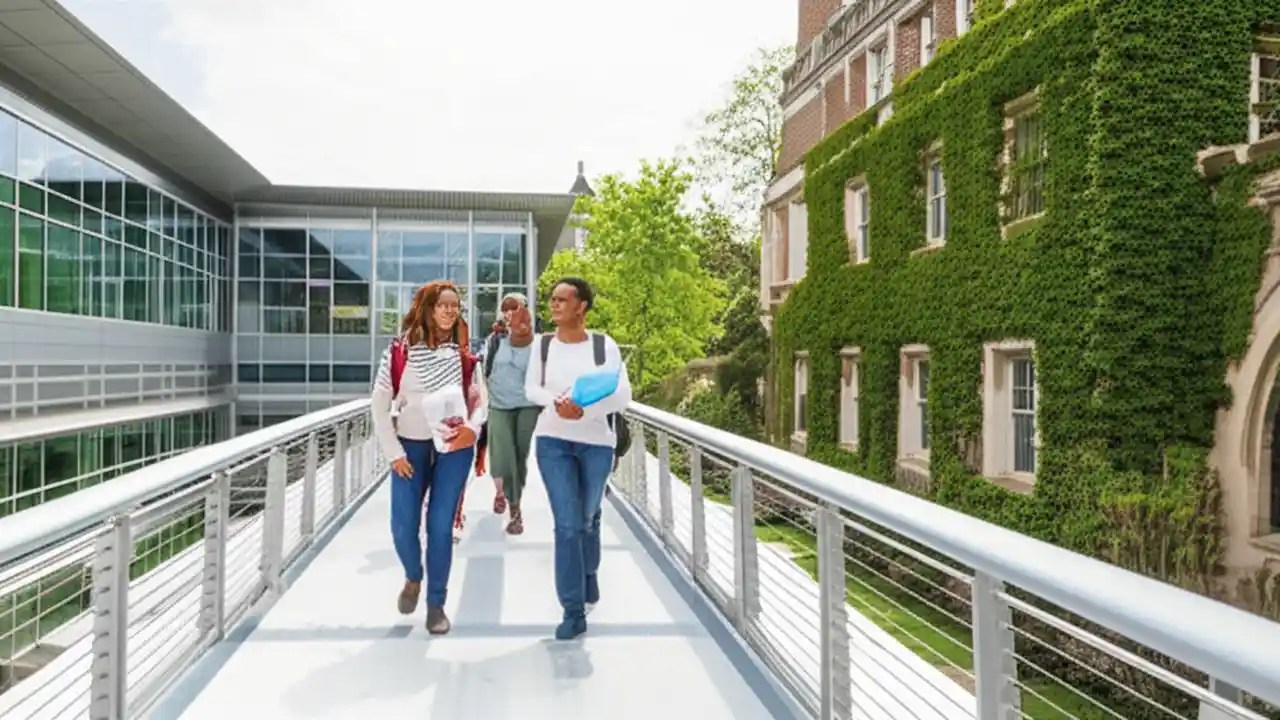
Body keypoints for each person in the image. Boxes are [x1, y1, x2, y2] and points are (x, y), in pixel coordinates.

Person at [371, 280, 486, 635]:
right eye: (444, 304)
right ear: (427, 307)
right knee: (403, 525)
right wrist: (394, 454)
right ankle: (413, 577)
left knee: (439, 525)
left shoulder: (465, 356)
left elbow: (481, 402)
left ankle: (436, 604)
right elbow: (378, 405)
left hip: (454, 447)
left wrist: (473, 429)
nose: (451, 310)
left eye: (456, 305)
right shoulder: (398, 353)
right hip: (411, 447)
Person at [525, 277, 632, 640]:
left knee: (587, 517)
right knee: (568, 525)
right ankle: (572, 612)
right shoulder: (541, 346)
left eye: (561, 299)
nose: (553, 305)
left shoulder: (604, 346)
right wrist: (554, 402)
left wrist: (583, 413)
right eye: (552, 299)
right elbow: (531, 388)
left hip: (596, 442)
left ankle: (589, 575)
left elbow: (622, 395)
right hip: (552, 441)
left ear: (581, 306)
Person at [484, 294, 539, 534]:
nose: (509, 312)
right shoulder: (495, 340)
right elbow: (486, 370)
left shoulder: (536, 341)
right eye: (505, 308)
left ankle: (515, 510)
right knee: (501, 455)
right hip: (498, 405)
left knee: (517, 456)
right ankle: (500, 492)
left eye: (514, 307)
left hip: (526, 405)